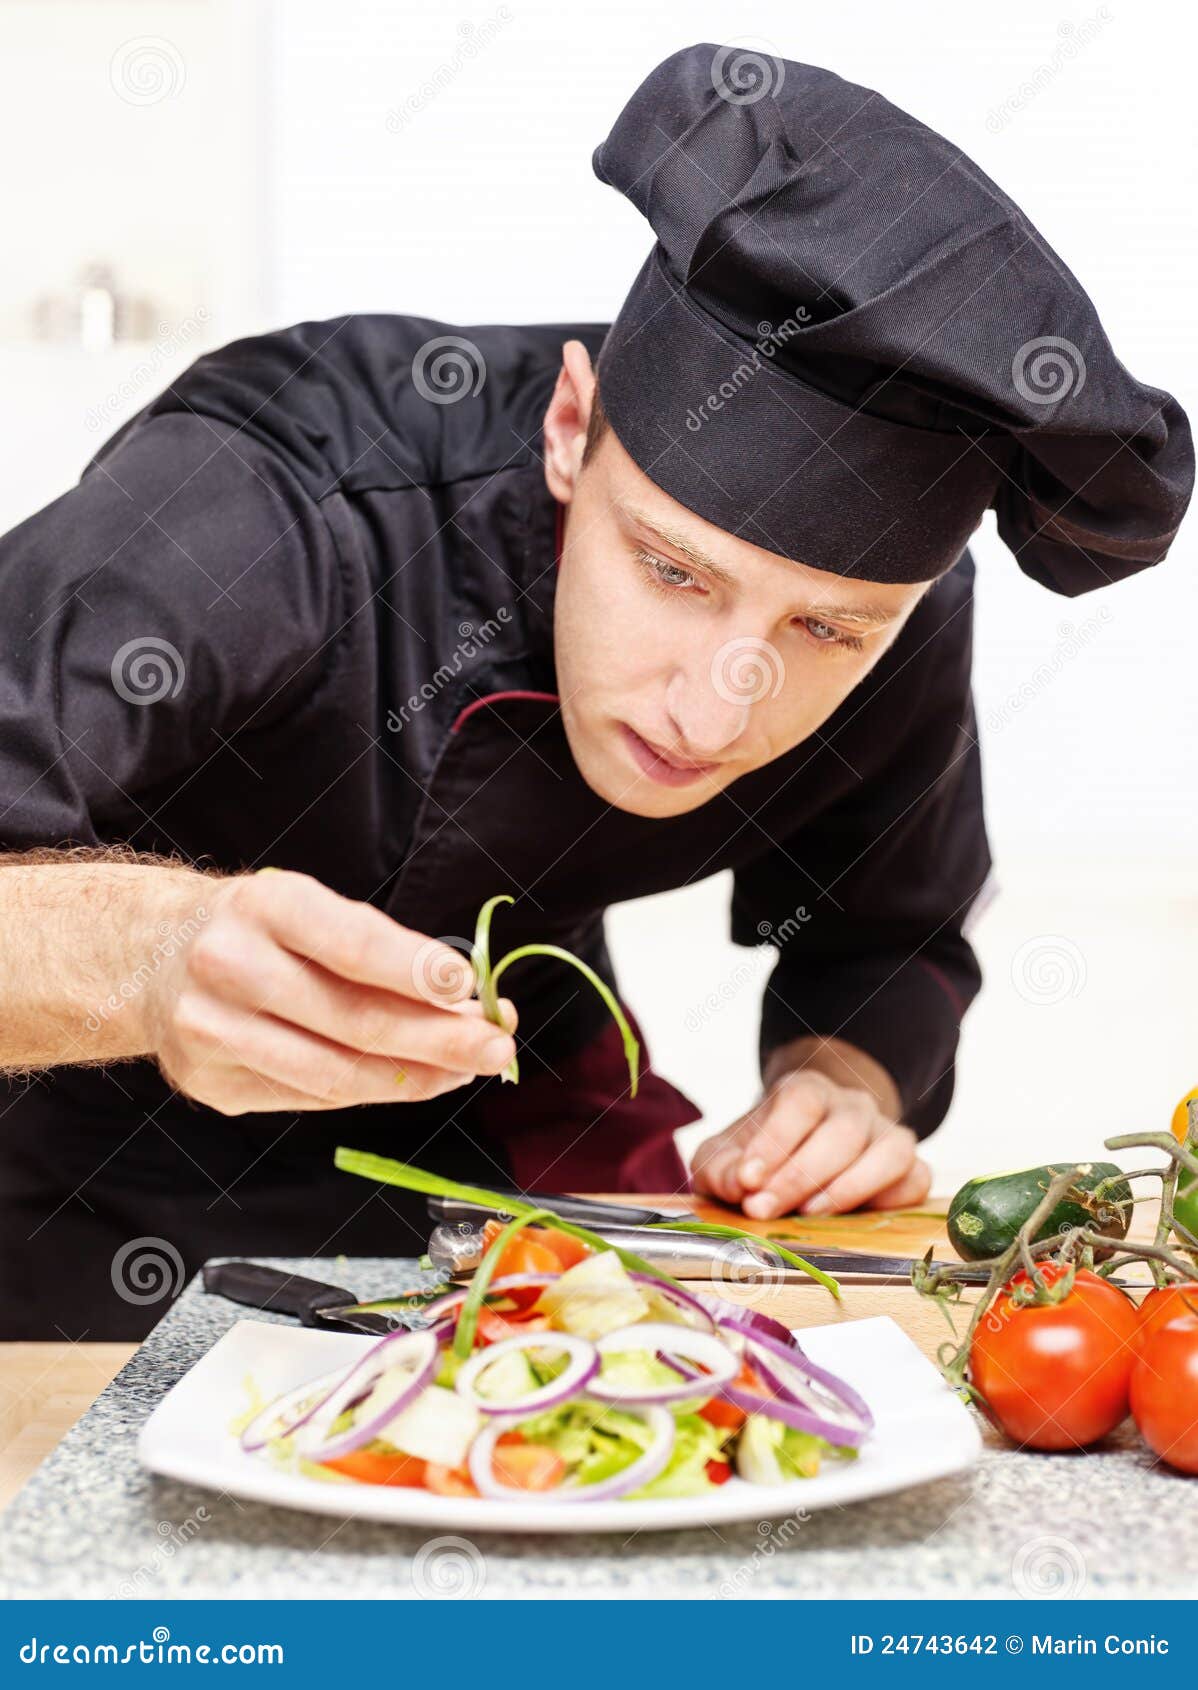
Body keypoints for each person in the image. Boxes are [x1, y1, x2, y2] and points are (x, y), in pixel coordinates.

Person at [0, 45, 1189, 1337]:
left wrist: (840, 1088)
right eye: (673, 572)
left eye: (824, 630)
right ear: (571, 430)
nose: (712, 714)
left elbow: (885, 935)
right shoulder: (270, 508)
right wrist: (152, 956)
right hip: (68, 1133)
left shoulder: (900, 621)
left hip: (501, 1133)